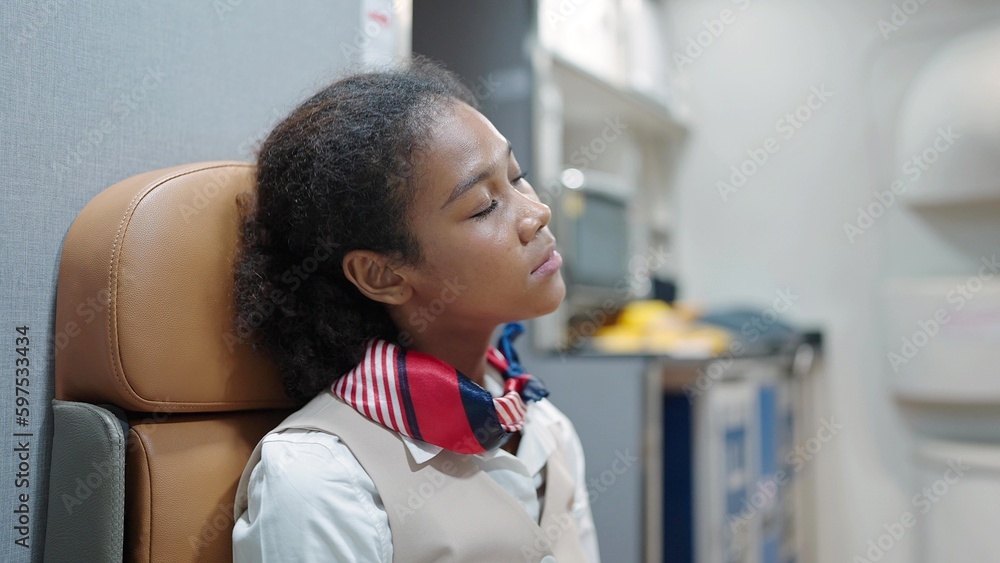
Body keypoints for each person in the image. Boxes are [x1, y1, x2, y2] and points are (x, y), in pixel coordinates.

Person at [231, 59, 600, 562]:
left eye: (518, 178)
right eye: (484, 206)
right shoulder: (320, 478)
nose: (537, 213)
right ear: (383, 275)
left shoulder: (547, 428)